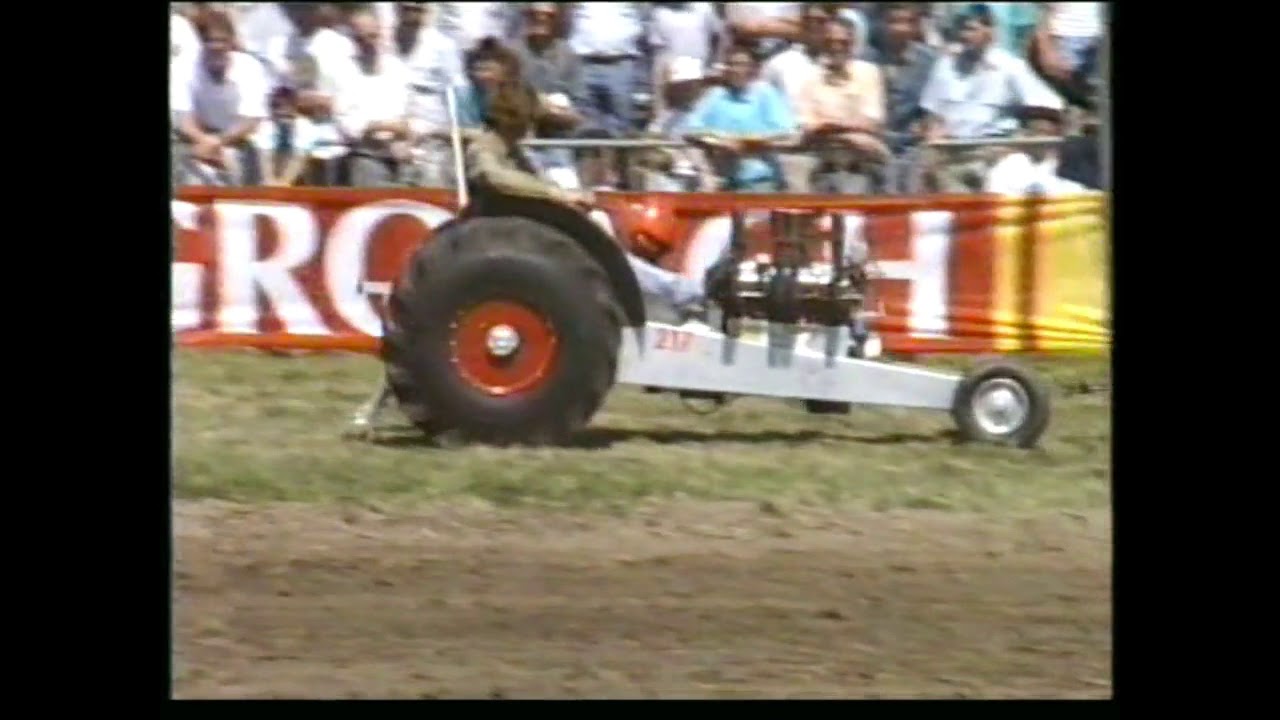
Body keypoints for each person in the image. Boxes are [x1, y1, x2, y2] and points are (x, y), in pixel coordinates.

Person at [917, 3, 1062, 193]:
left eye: (971, 29)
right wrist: (933, 137)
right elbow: (932, 116)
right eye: (961, 29)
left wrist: (1028, 141)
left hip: (995, 151)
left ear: (990, 31)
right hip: (952, 153)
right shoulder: (946, 65)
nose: (964, 36)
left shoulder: (1010, 67)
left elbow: (1048, 107)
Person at [171, 11, 270, 186]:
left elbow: (251, 119)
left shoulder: (250, 67)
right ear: (201, 41)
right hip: (195, 139)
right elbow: (181, 116)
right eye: (209, 40)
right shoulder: (182, 66)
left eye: (222, 40)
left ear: (232, 41)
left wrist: (219, 142)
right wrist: (204, 141)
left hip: (239, 140)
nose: (216, 46)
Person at [794, 15, 888, 196]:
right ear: (823, 44)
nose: (836, 47)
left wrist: (831, 127)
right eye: (830, 42)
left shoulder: (869, 73)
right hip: (825, 167)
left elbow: (873, 123)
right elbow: (808, 129)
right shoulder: (810, 81)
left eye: (843, 42)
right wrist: (851, 131)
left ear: (852, 44)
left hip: (861, 167)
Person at [335, 9, 413, 186]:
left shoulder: (397, 68)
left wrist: (404, 136)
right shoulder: (344, 72)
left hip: (400, 154)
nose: (368, 43)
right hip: (366, 155)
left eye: (373, 36)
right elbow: (347, 123)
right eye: (360, 39)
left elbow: (409, 110)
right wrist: (381, 126)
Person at [866, 3, 938, 193]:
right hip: (877, 141)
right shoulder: (866, 60)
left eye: (907, 22)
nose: (899, 29)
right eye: (893, 22)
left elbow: (934, 106)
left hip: (914, 142)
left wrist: (927, 126)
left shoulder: (929, 61)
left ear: (915, 26)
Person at [393, 2, 466, 188]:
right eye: (406, 9)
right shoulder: (388, 41)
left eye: (416, 10)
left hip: (433, 131)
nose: (411, 15)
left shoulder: (442, 45)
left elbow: (458, 90)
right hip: (397, 129)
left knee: (433, 184)